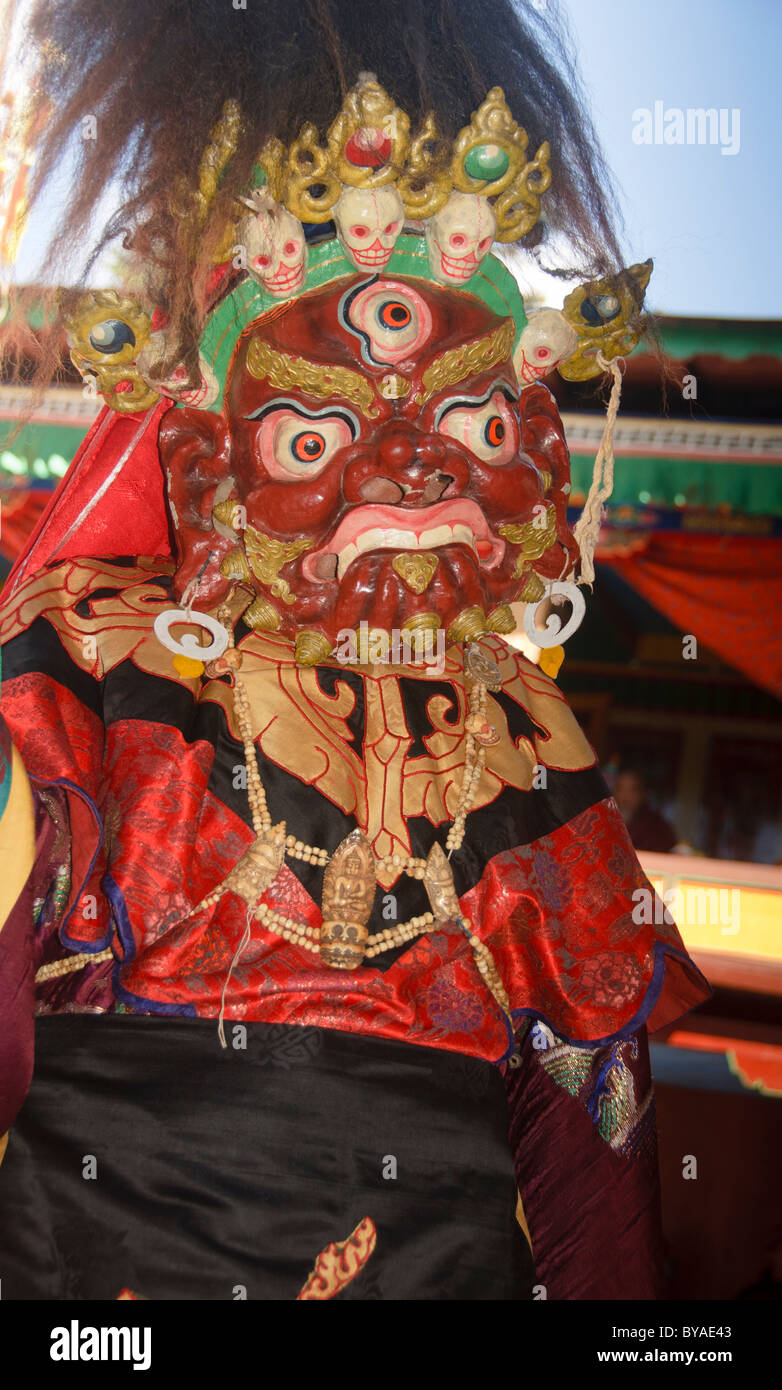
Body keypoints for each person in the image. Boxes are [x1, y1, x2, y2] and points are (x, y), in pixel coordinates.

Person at [0, 0, 709, 1300]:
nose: (406, 466)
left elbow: (598, 1201)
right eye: (320, 430)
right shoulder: (74, 673)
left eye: (458, 417)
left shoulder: (526, 751)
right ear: (215, 447)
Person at [614, 768, 678, 855]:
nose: (625, 797)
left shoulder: (657, 826)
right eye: (620, 789)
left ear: (642, 794)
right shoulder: (605, 820)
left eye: (633, 790)